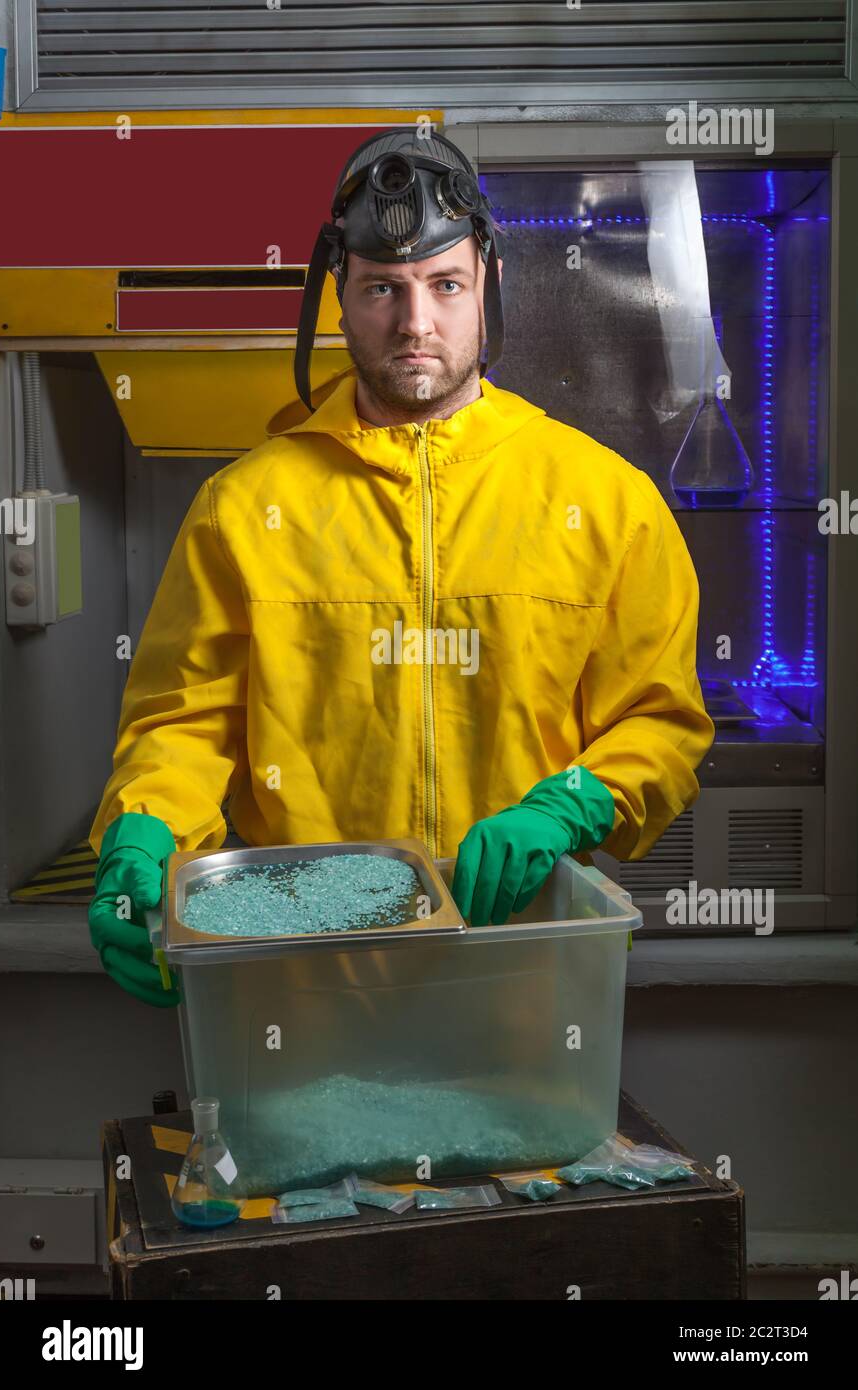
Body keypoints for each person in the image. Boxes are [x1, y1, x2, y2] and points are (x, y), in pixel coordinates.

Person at [88, 128, 714, 1006]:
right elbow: (183, 726)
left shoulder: (607, 502)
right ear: (340, 296)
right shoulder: (244, 509)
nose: (416, 323)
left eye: (445, 285)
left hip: (521, 974)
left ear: (489, 286)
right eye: (384, 288)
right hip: (302, 984)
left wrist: (566, 804)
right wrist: (143, 833)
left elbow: (663, 724)